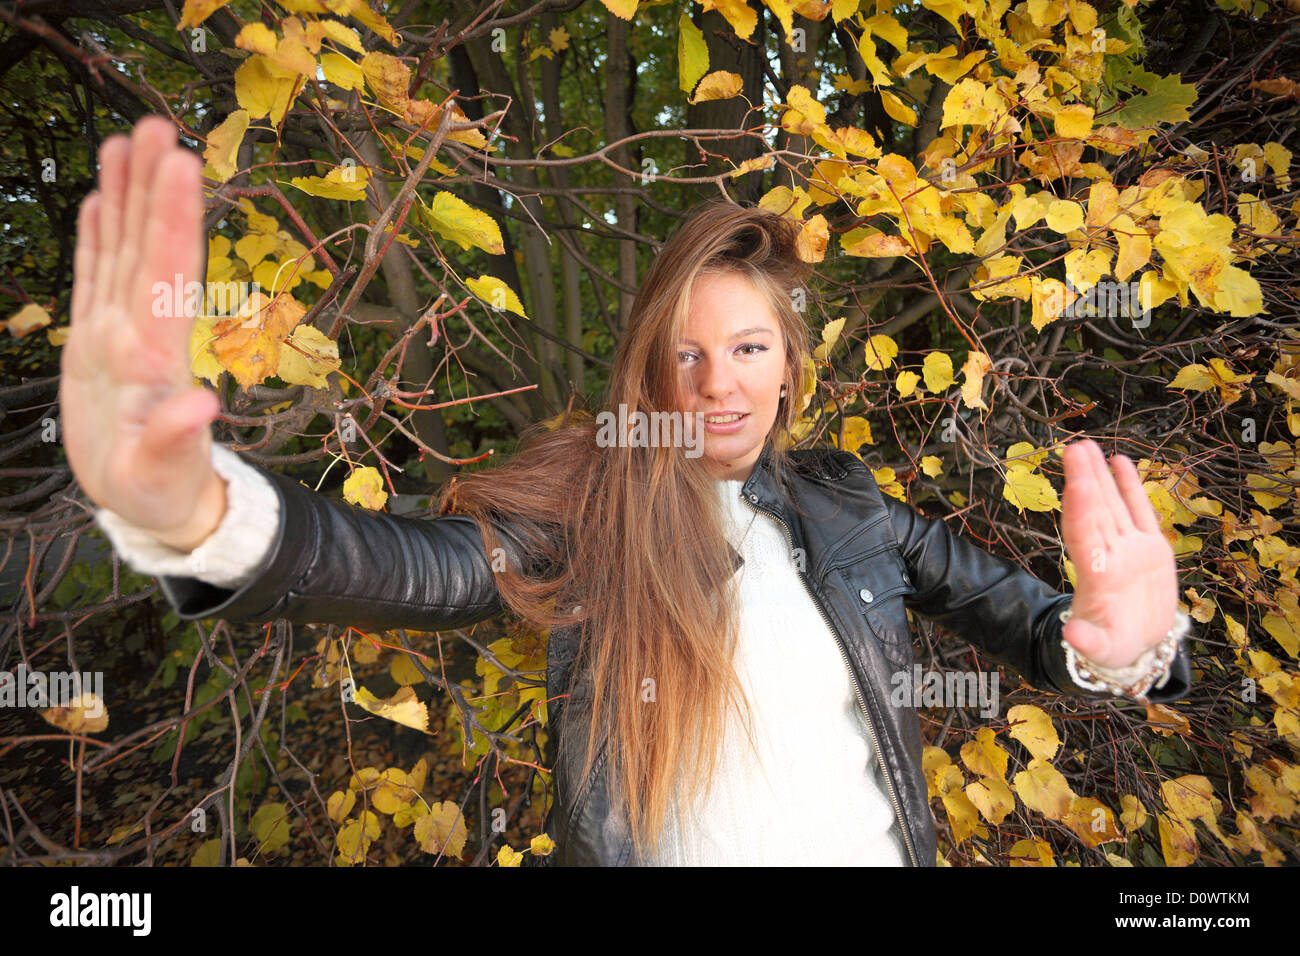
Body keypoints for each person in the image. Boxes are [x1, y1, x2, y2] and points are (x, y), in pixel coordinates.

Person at [62, 116, 1194, 866]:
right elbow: (413, 565)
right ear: (649, 366)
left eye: (750, 348)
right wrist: (199, 513)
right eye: (686, 354)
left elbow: (1042, 630)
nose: (718, 384)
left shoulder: (852, 508)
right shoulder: (584, 507)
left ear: (790, 365)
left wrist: (1115, 643)